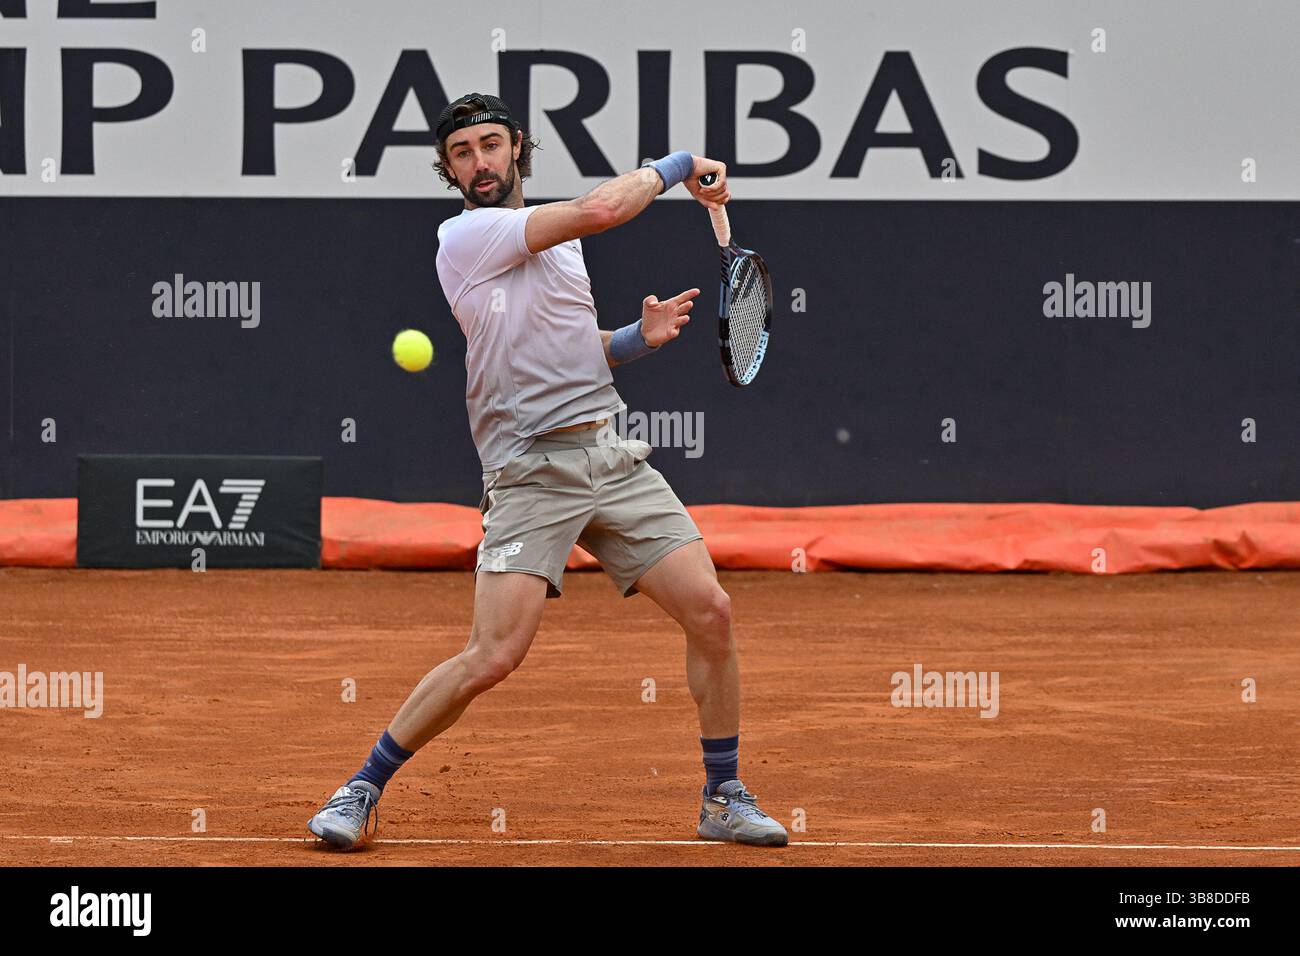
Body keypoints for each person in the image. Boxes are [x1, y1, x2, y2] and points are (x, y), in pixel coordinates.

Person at [307, 92, 787, 849]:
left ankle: (723, 795)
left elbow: (569, 346)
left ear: (517, 148)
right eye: (463, 154)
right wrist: (680, 166)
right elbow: (600, 210)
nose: (480, 163)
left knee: (712, 612)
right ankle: (360, 788)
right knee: (494, 654)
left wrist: (635, 338)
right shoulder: (467, 236)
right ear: (449, 169)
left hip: (609, 454)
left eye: (491, 146)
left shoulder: (554, 246)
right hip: (528, 470)